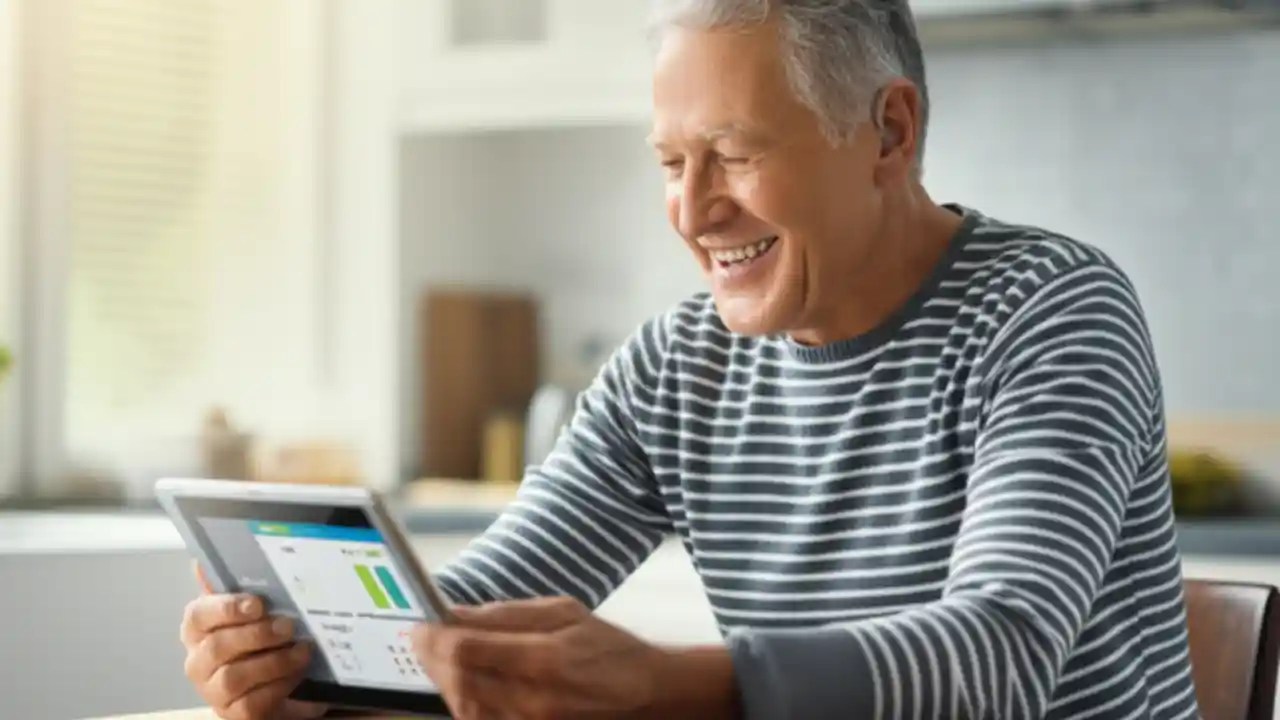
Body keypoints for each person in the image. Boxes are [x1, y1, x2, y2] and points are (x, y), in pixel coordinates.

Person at [178, 1, 1201, 718]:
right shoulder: (675, 368)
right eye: (671, 162)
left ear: (887, 132)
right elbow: (477, 617)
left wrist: (655, 686)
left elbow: (999, 659)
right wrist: (315, 673)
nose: (694, 209)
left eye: (736, 153)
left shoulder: (1052, 309)